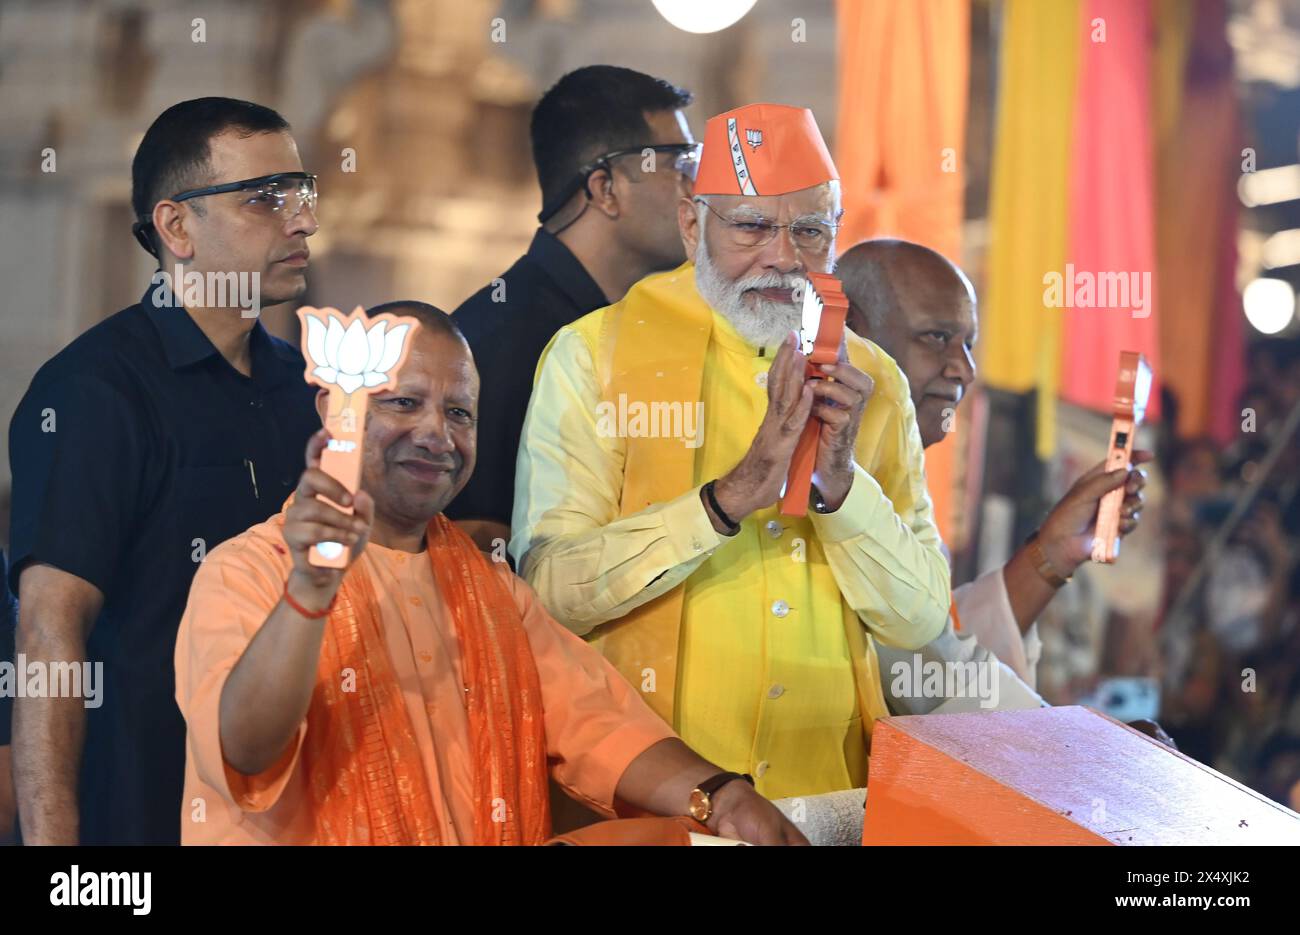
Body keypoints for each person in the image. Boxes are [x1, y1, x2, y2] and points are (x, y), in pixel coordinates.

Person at [174, 302, 805, 845]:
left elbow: (599, 724)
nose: (436, 435)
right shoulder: (247, 571)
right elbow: (244, 752)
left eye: (459, 414)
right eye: (403, 402)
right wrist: (309, 597)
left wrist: (720, 796)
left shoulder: (492, 591)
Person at [511, 103, 951, 799]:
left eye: (809, 231)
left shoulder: (875, 383)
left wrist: (840, 486)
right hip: (658, 796)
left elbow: (922, 619)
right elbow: (548, 592)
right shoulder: (594, 355)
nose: (782, 257)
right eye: (751, 227)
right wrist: (728, 499)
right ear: (693, 225)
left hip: (827, 798)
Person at [8, 97, 322, 844]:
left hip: (291, 806)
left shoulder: (308, 387)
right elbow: (50, 630)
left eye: (304, 192)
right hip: (142, 811)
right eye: (265, 198)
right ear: (177, 226)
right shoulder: (95, 389)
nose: (302, 220)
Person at [836, 238, 1149, 710]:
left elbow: (938, 649)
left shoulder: (900, 485)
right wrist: (1081, 752)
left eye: (968, 344)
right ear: (851, 331)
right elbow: (928, 678)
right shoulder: (819, 482)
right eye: (936, 337)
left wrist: (1051, 555)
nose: (965, 368)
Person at [447, 65, 699, 552]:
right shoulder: (497, 340)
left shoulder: (636, 326)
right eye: (678, 164)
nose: (696, 190)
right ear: (605, 189)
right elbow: (478, 544)